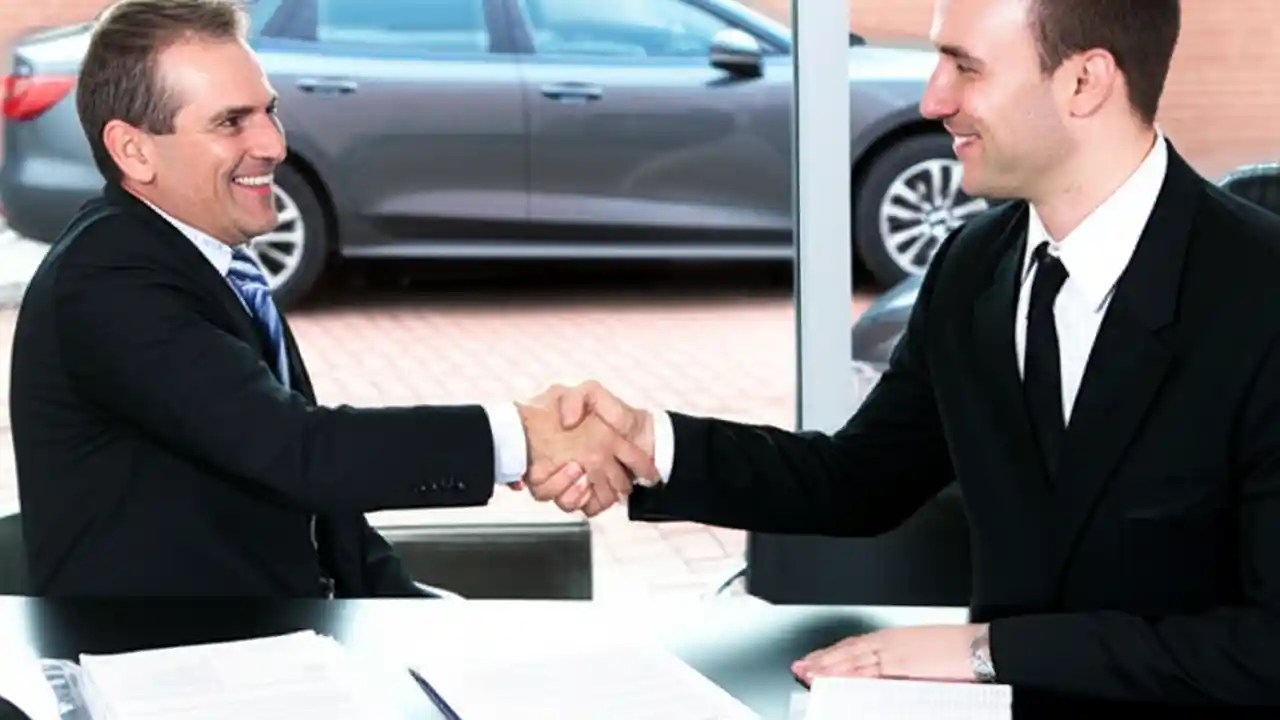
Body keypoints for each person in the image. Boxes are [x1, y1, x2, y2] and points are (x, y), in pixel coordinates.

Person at [534, 0, 1280, 715]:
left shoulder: (1261, 292)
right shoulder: (972, 267)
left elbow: (1267, 646)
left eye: (966, 66)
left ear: (1085, 81)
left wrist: (989, 651)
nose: (933, 100)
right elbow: (856, 481)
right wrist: (648, 443)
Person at [8, 0, 655, 598]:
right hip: (171, 670)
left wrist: (414, 606)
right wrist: (522, 435)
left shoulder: (208, 263)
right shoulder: (108, 281)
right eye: (231, 122)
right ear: (134, 150)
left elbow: (315, 503)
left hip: (273, 645)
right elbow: (300, 453)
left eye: (269, 111)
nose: (272, 145)